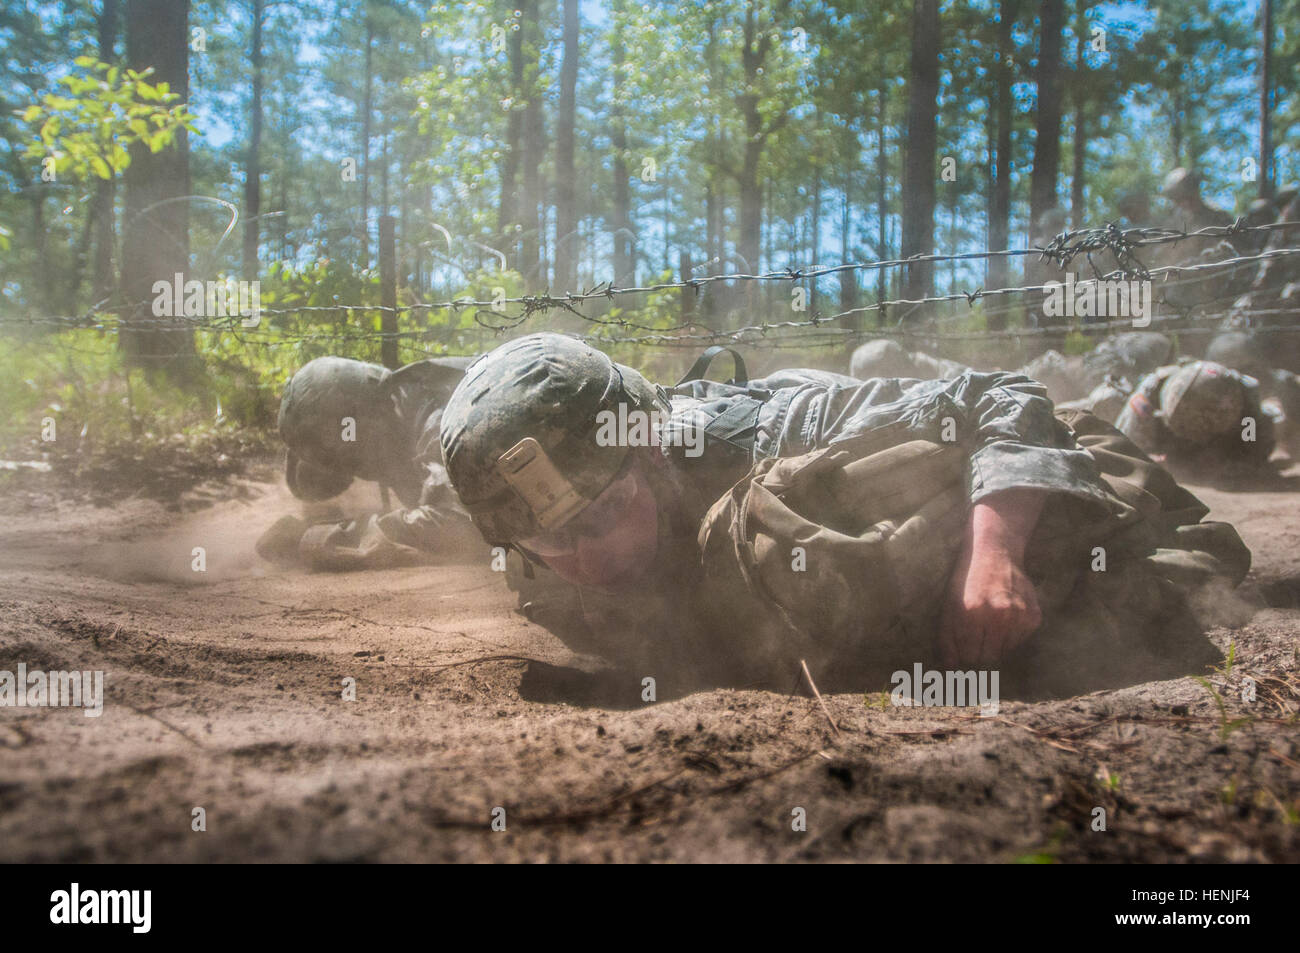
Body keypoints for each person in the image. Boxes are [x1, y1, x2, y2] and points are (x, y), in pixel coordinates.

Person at [439, 333, 1249, 699]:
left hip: (1051, 470)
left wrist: (993, 556)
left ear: (647, 447)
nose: (588, 554)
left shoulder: (755, 433)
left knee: (777, 521)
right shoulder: (521, 523)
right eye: (553, 538)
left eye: (607, 511)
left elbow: (999, 398)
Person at [256, 354, 484, 569]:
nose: (358, 469)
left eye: (349, 457)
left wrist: (320, 538)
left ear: (363, 418)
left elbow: (457, 524)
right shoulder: (401, 407)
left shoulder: (439, 421)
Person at [1114, 360, 1274, 470]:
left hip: (1221, 444)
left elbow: (1252, 436)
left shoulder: (1248, 400)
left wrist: (1245, 460)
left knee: (1265, 423)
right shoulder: (1153, 386)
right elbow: (1125, 443)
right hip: (1165, 443)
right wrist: (1148, 457)